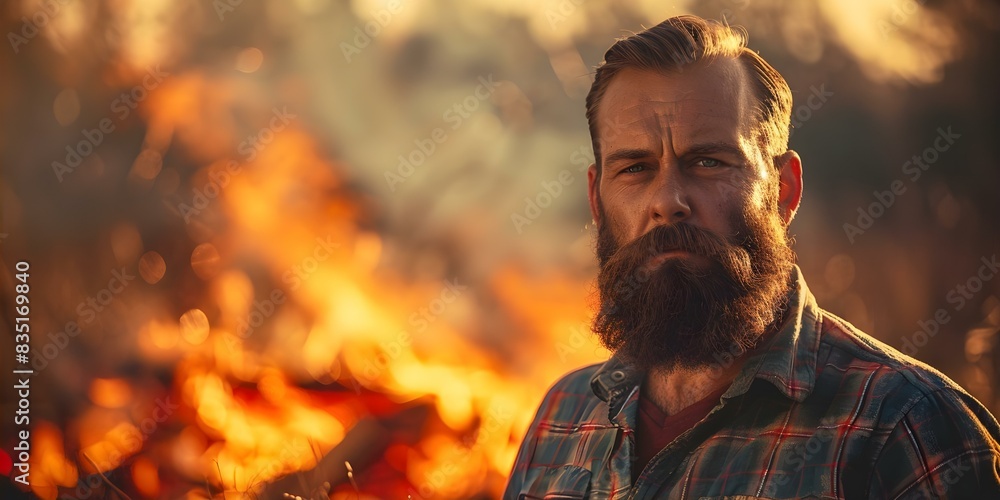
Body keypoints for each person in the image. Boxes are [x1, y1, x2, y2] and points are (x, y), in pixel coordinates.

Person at [504, 15, 1000, 499]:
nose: (667, 201)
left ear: (784, 189)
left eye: (707, 161)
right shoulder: (561, 420)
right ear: (596, 200)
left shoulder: (908, 428)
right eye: (635, 168)